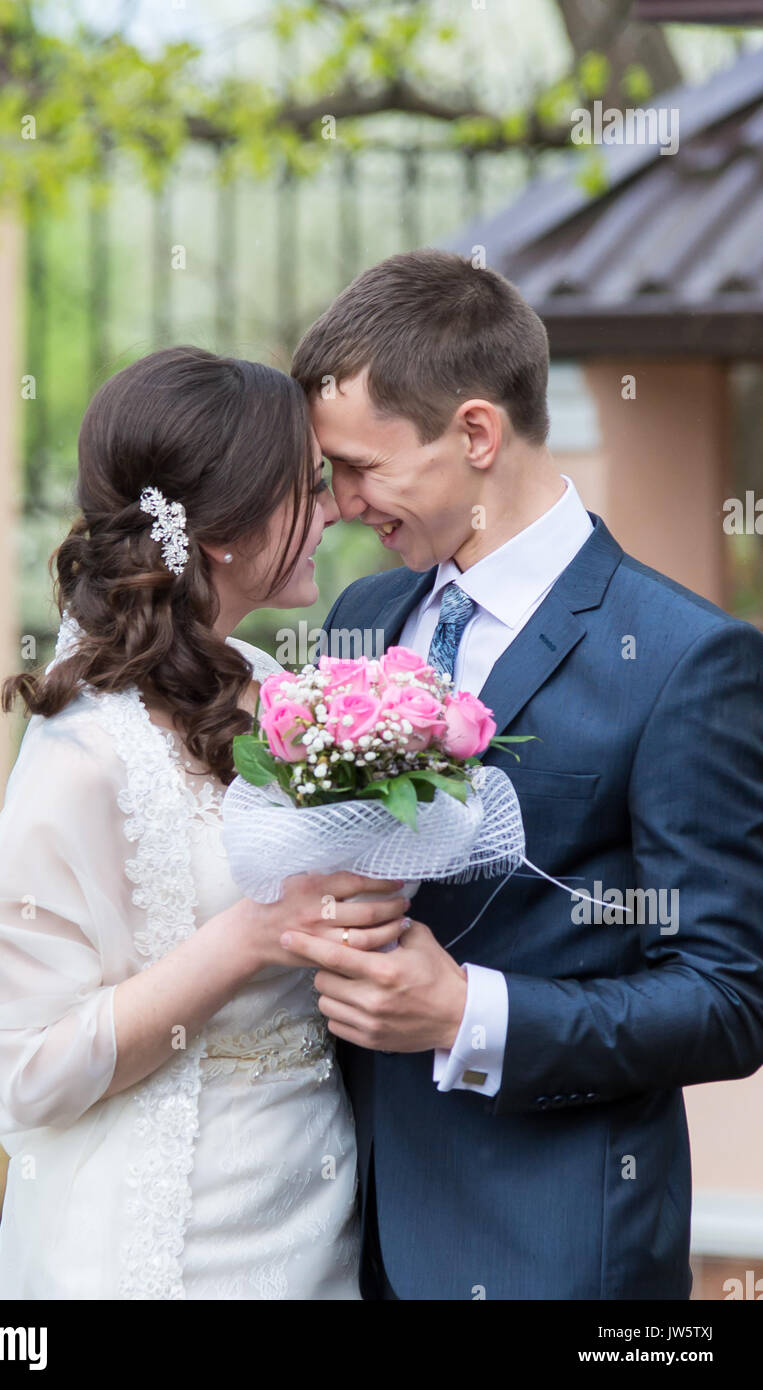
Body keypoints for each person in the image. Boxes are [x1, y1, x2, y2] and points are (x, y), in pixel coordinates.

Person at [282, 249, 763, 1300]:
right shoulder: (362, 620)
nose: (342, 504)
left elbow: (729, 999)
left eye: (360, 467)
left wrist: (470, 1015)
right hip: (336, 1233)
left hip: (549, 1249)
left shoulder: (684, 660)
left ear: (476, 434)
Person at [0, 345, 412, 1300]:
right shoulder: (86, 755)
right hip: (159, 1239)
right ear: (223, 532)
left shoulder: (289, 696)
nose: (333, 510)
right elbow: (32, 1074)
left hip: (313, 1209)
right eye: (305, 489)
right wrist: (245, 941)